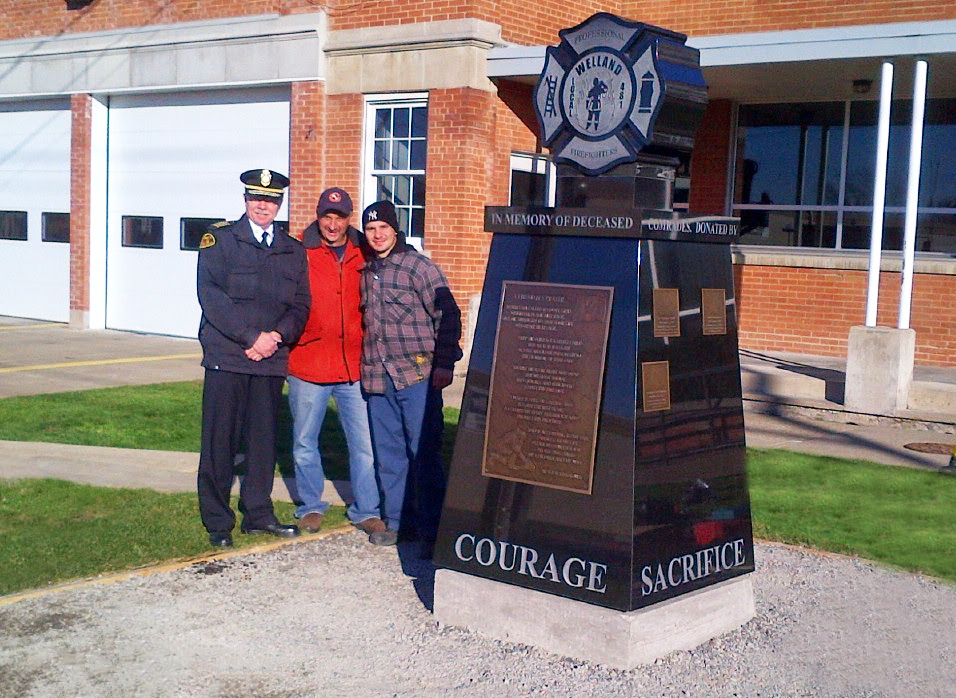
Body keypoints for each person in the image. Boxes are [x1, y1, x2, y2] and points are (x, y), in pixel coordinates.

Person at [196, 168, 311, 548]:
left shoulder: (292, 249)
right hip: (228, 356)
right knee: (220, 442)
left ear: (280, 204)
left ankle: (258, 514)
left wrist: (275, 337)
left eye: (271, 200)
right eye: (257, 198)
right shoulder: (221, 240)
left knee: (263, 443)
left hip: (270, 359)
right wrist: (251, 337)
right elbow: (211, 296)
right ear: (246, 199)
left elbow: (301, 304)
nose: (263, 205)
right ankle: (217, 520)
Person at [359, 200, 462, 548]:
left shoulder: (419, 267)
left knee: (424, 453)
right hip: (378, 376)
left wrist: (445, 363)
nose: (377, 235)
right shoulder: (367, 272)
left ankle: (435, 530)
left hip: (417, 375)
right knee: (389, 455)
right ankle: (399, 523)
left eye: (383, 228)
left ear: (395, 229)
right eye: (370, 229)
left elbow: (448, 315)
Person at [287, 188, 385, 534]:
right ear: (318, 217)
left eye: (339, 217)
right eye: (326, 217)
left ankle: (366, 509)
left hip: (354, 367)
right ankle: (310, 505)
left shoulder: (365, 250)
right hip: (308, 363)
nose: (332, 225)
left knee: (364, 446)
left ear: (348, 219)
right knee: (304, 442)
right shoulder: (298, 251)